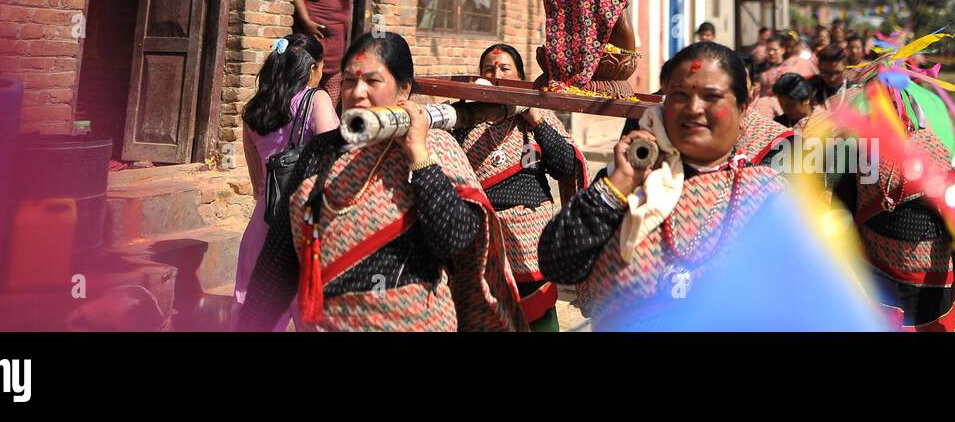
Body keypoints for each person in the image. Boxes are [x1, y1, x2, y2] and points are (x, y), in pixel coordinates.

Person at [237, 33, 525, 332]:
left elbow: (456, 241)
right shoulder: (320, 152)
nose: (357, 93)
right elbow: (278, 263)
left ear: (404, 90)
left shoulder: (436, 147)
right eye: (349, 81)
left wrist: (418, 155)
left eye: (372, 81)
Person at [538, 42, 787, 330]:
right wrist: (619, 185)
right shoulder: (625, 182)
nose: (693, 108)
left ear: (742, 110)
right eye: (680, 95)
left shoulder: (765, 196)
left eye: (711, 96)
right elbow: (557, 264)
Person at [832, 75, 955, 331]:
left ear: (902, 105)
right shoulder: (858, 148)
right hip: (873, 267)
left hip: (927, 277)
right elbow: (843, 206)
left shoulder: (937, 150)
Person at [453, 44, 587, 331]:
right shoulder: (463, 118)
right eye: (489, 69)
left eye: (504, 69)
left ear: (520, 76)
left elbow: (564, 165)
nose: (496, 74)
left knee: (538, 316)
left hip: (528, 237)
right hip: (482, 234)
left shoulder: (536, 116)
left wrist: (536, 120)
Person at [234, 32, 340, 328]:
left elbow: (258, 184)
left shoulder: (254, 109)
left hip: (263, 224)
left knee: (254, 313)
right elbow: (335, 157)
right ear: (312, 69)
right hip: (304, 226)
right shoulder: (316, 99)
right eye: (321, 68)